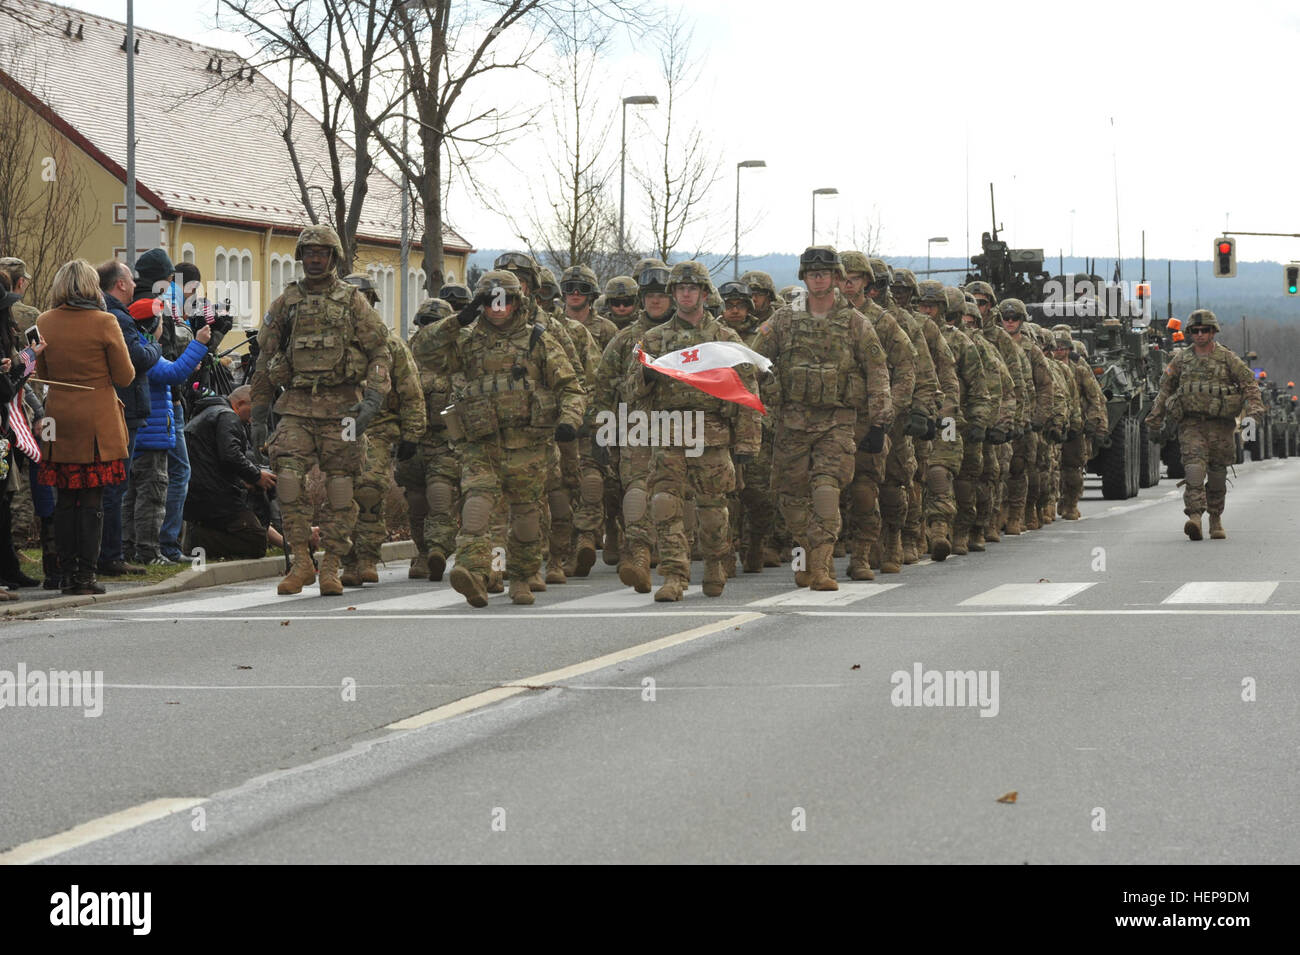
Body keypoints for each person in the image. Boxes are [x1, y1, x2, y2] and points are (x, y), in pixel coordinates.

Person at [249, 225, 393, 596]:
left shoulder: (351, 300)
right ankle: (301, 561)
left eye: (322, 253)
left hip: (342, 405)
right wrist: (259, 415)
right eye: (309, 253)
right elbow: (264, 358)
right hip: (297, 405)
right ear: (301, 257)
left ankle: (332, 563)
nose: (315, 259)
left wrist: (372, 400)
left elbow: (380, 350)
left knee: (342, 486)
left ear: (333, 258)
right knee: (289, 480)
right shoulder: (287, 302)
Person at [430, 270, 584, 607]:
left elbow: (571, 388)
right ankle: (473, 571)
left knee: (526, 516)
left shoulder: (538, 340)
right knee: (476, 506)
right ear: (481, 303)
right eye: (490, 300)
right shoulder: (467, 342)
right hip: (481, 444)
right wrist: (457, 321)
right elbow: (423, 353)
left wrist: (569, 421)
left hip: (528, 446)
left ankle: (522, 576)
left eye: (506, 299)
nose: (498, 307)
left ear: (517, 302)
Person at [754, 248, 892, 590]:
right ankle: (806, 552)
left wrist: (880, 422)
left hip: (837, 421)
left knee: (826, 490)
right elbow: (754, 362)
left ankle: (821, 565)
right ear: (804, 277)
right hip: (792, 422)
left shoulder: (856, 322)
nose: (819, 278)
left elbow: (877, 372)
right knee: (791, 497)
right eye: (812, 272)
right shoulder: (784, 320)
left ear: (836, 278)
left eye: (825, 273)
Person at [623, 260, 761, 601]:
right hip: (668, 434)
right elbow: (628, 389)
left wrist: (747, 442)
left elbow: (748, 392)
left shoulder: (724, 339)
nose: (686, 294)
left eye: (692, 288)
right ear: (674, 294)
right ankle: (674, 574)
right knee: (665, 503)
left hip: (711, 436)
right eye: (680, 289)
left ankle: (715, 562)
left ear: (703, 293)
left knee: (712, 509)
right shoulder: (653, 339)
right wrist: (646, 375)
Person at [35, 260, 136, 595]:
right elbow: (125, 376)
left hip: (57, 417)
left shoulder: (44, 322)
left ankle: (64, 575)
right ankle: (85, 576)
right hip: (97, 419)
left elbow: (40, 373)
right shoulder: (105, 322)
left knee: (64, 499)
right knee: (92, 501)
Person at [1146, 309, 1264, 540]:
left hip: (1221, 426)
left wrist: (1253, 414)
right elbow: (1165, 389)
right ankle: (1195, 517)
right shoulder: (1181, 359)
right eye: (1195, 331)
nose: (1200, 335)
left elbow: (1249, 385)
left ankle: (1215, 517)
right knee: (1194, 470)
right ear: (1190, 333)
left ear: (1213, 332)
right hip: (1191, 425)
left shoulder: (1228, 358)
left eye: (1205, 330)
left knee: (1218, 474)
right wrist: (1154, 418)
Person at [124, 294, 210, 563]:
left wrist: (187, 360)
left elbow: (171, 370)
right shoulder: (146, 351)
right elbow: (171, 374)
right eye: (161, 321)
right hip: (152, 439)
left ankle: (130, 547)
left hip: (145, 435)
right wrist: (199, 344)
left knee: (133, 494)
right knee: (152, 494)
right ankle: (150, 551)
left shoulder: (140, 348)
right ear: (151, 326)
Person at [96, 258, 161, 577]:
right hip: (124, 407)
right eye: (130, 280)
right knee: (115, 484)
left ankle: (104, 553)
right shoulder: (118, 317)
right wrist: (155, 343)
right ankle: (110, 554)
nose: (135, 285)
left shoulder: (106, 311)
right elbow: (138, 359)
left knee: (110, 484)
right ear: (119, 284)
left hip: (116, 407)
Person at [183, 385, 276, 559]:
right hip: (214, 494)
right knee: (256, 541)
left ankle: (200, 535)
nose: (251, 420)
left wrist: (245, 479)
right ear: (240, 404)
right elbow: (230, 455)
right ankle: (198, 541)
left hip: (199, 491)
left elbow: (216, 460)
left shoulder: (208, 413)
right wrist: (256, 476)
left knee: (251, 528)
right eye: (253, 411)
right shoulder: (227, 416)